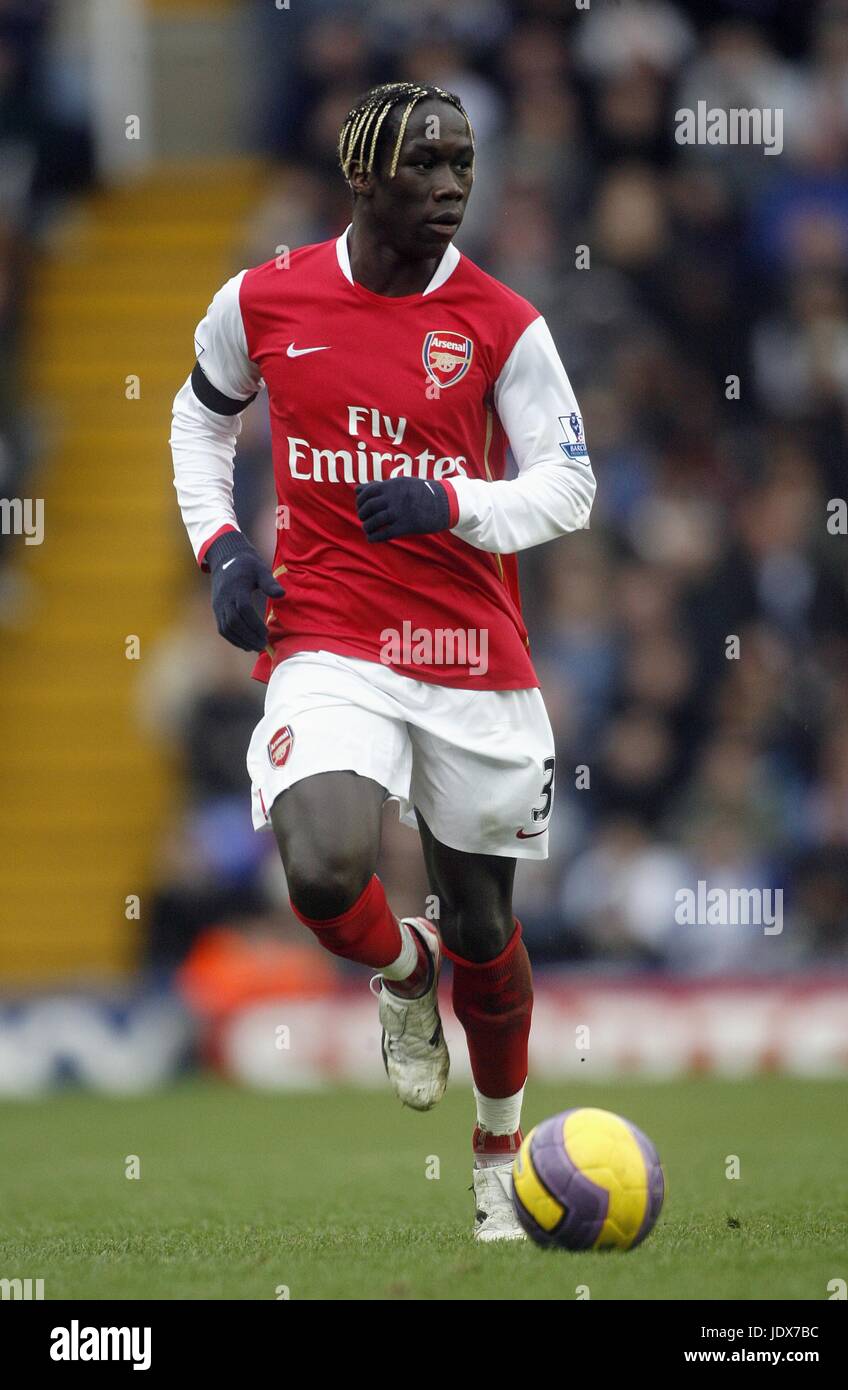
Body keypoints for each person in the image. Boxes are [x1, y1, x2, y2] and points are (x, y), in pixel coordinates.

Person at [170, 81, 596, 1240]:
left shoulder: (504, 322)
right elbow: (198, 418)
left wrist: (450, 497)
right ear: (364, 178)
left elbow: (569, 485)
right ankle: (401, 976)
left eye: (463, 163)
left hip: (468, 649)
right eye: (428, 166)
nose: (453, 185)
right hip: (331, 634)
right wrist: (220, 551)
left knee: (482, 930)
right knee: (318, 869)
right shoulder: (263, 298)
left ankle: (499, 1154)